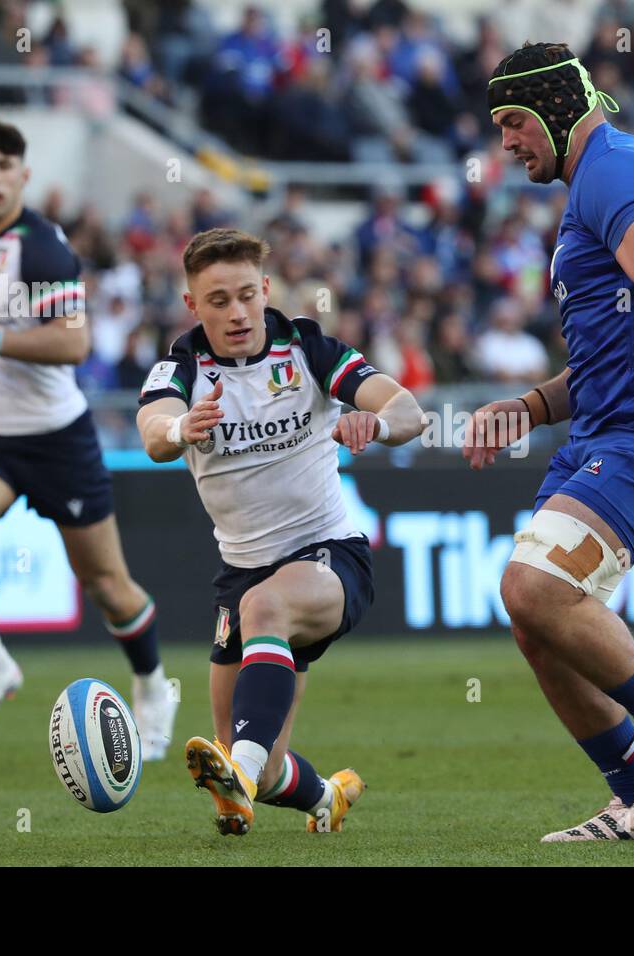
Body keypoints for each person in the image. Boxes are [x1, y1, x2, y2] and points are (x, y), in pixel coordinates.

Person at [467, 43, 634, 841]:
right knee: (533, 618)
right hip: (603, 433)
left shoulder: (614, 167)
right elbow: (610, 354)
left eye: (514, 121)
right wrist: (532, 404)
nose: (506, 143)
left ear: (553, 106)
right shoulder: (597, 181)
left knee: (535, 587)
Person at [136, 228, 425, 835]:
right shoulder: (183, 367)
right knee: (260, 763)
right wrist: (180, 427)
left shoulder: (309, 350)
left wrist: (374, 421)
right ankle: (324, 796)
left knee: (263, 608)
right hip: (240, 572)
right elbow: (153, 429)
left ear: (265, 290)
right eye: (218, 300)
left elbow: (409, 412)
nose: (237, 312)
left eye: (246, 295)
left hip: (330, 559)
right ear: (193, 306)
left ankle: (234, 779)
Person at [0, 118, 177, 756]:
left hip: (56, 437)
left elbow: (74, 342)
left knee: (106, 585)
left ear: (23, 176)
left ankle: (152, 684)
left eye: (3, 166)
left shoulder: (40, 250)